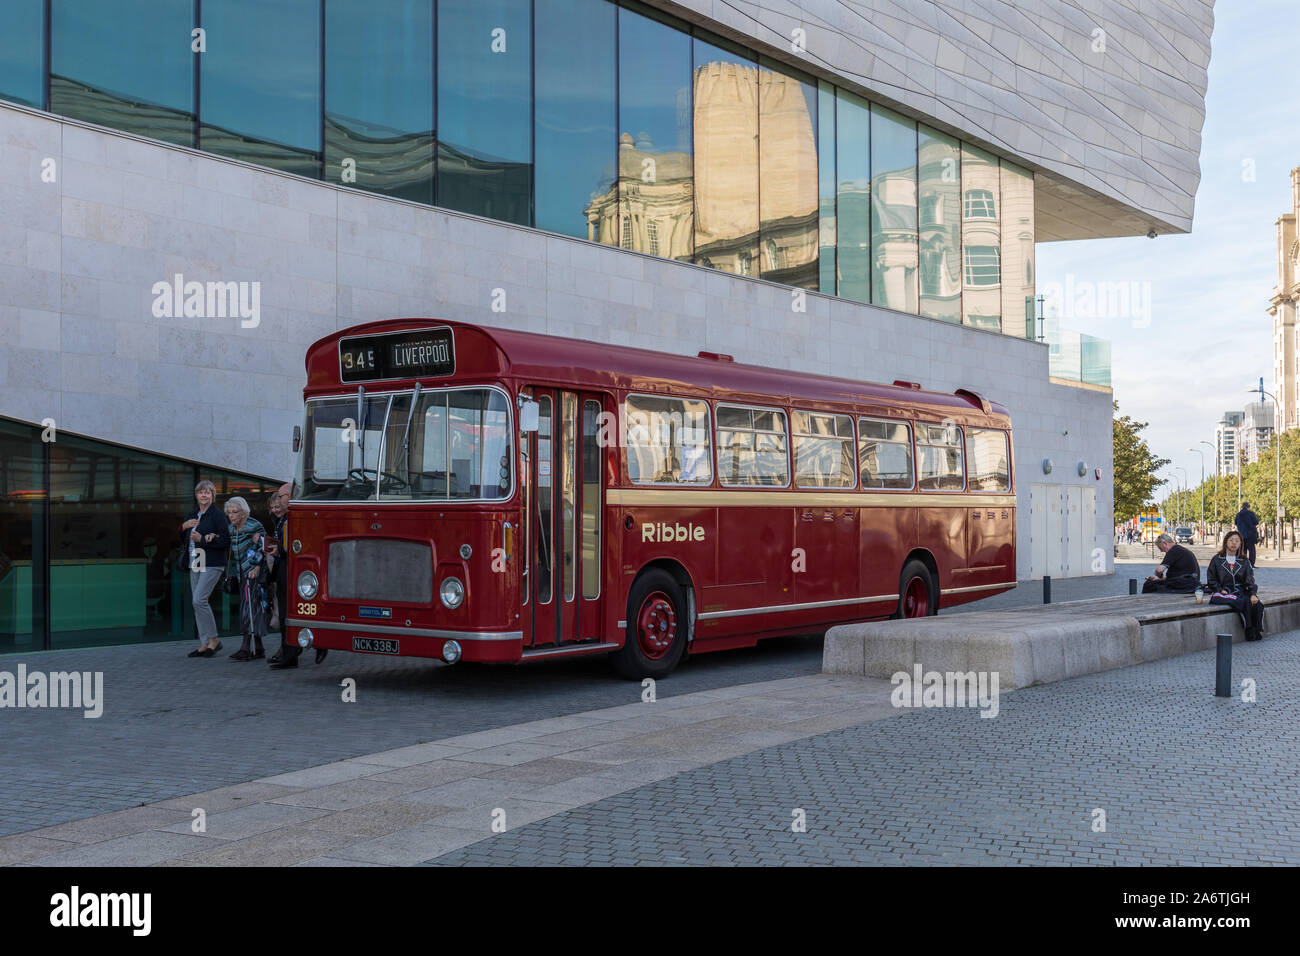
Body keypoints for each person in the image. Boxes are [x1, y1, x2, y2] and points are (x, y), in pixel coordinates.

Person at [180, 480, 229, 658]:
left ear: (212, 495)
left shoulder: (217, 515)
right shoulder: (193, 514)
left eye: (207, 492)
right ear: (196, 495)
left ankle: (214, 640)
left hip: (213, 562)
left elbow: (225, 540)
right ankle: (204, 643)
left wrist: (202, 538)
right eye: (201, 492)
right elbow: (183, 537)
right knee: (197, 603)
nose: (203, 495)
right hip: (196, 560)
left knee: (199, 600)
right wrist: (183, 527)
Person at [224, 496, 268, 661]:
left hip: (253, 573)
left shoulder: (254, 525)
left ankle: (245, 647)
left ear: (243, 512)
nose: (231, 515)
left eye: (234, 512)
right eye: (229, 512)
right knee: (250, 608)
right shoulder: (231, 529)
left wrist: (256, 567)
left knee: (250, 608)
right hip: (241, 574)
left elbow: (265, 547)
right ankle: (259, 647)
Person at [1206, 530, 1265, 641]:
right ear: (1225, 542)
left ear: (1240, 544)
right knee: (1243, 602)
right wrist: (1219, 589)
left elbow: (1250, 580)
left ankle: (1255, 630)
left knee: (1257, 604)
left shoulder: (1244, 561)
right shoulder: (1217, 560)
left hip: (1241, 591)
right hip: (1224, 592)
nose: (1234, 543)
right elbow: (1211, 579)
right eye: (1231, 540)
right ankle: (1248, 629)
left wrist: (1253, 594)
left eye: (1237, 541)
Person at [1234, 501, 1260, 566]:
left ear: (1242, 507)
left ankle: (1244, 563)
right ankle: (1251, 564)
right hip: (1250, 535)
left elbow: (1236, 523)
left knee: (1243, 550)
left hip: (1241, 535)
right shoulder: (1251, 513)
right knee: (1252, 550)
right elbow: (1256, 522)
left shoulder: (1238, 514)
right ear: (1248, 507)